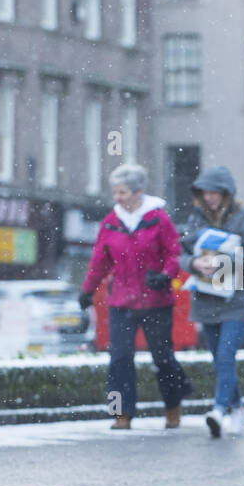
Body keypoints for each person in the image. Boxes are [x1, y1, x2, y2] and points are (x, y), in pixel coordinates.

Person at [81, 162, 191, 430]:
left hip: (156, 300)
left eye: (123, 192)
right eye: (115, 192)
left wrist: (166, 274)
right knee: (119, 359)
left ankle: (173, 408)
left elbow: (174, 253)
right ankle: (121, 414)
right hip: (122, 301)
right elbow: (99, 262)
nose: (117, 198)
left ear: (138, 192)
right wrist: (86, 290)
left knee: (162, 358)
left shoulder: (159, 219)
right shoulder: (110, 222)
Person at [179, 166, 244, 437]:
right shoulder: (196, 218)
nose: (210, 198)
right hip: (205, 300)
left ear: (226, 194)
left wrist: (222, 262)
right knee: (219, 360)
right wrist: (194, 262)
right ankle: (238, 408)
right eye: (205, 193)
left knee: (226, 355)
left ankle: (218, 410)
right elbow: (179, 254)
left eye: (214, 193)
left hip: (236, 300)